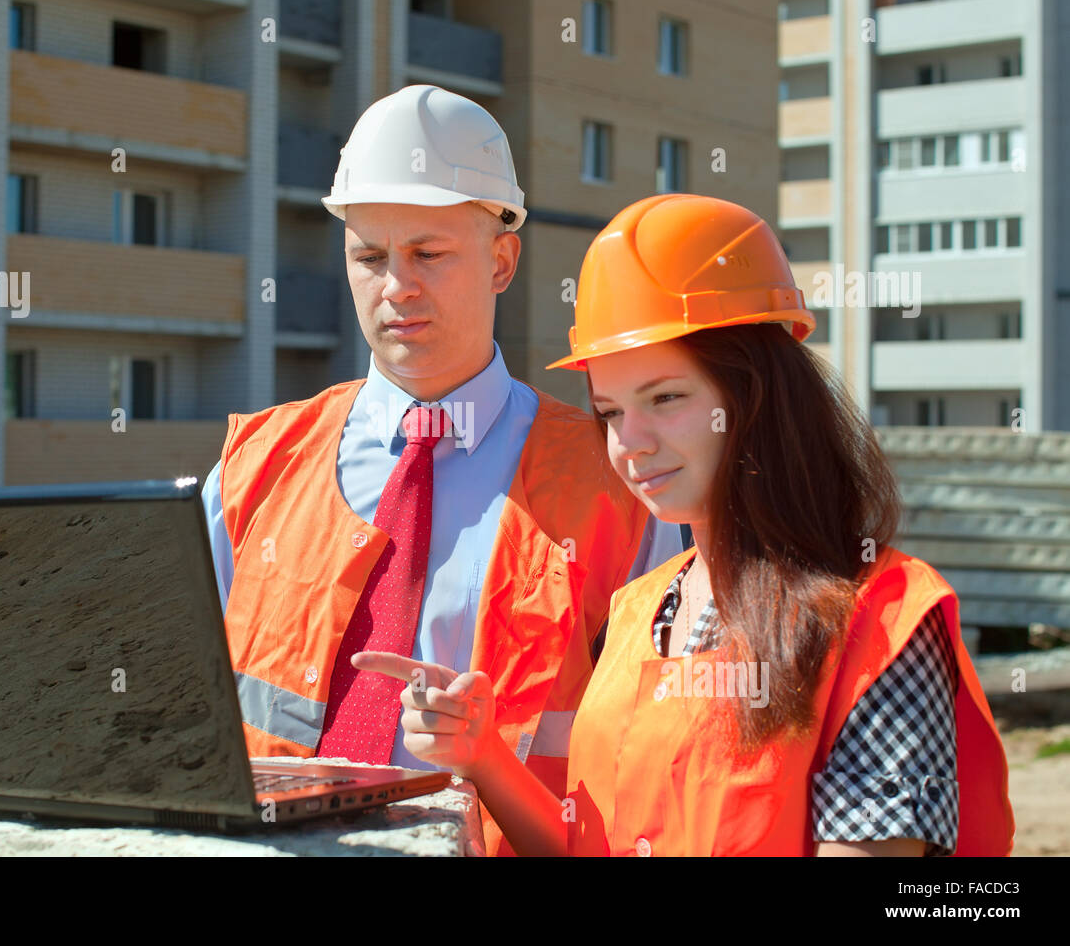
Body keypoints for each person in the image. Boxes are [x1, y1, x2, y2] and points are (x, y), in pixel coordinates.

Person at [358, 193, 1016, 856]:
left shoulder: (889, 622)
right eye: (611, 412)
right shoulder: (639, 608)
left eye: (665, 398)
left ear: (757, 397)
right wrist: (483, 755)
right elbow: (593, 845)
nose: (630, 442)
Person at [201, 86, 684, 856]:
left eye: (428, 253)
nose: (397, 286)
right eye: (370, 256)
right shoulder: (254, 466)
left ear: (501, 261)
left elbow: (661, 759)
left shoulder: (621, 485)